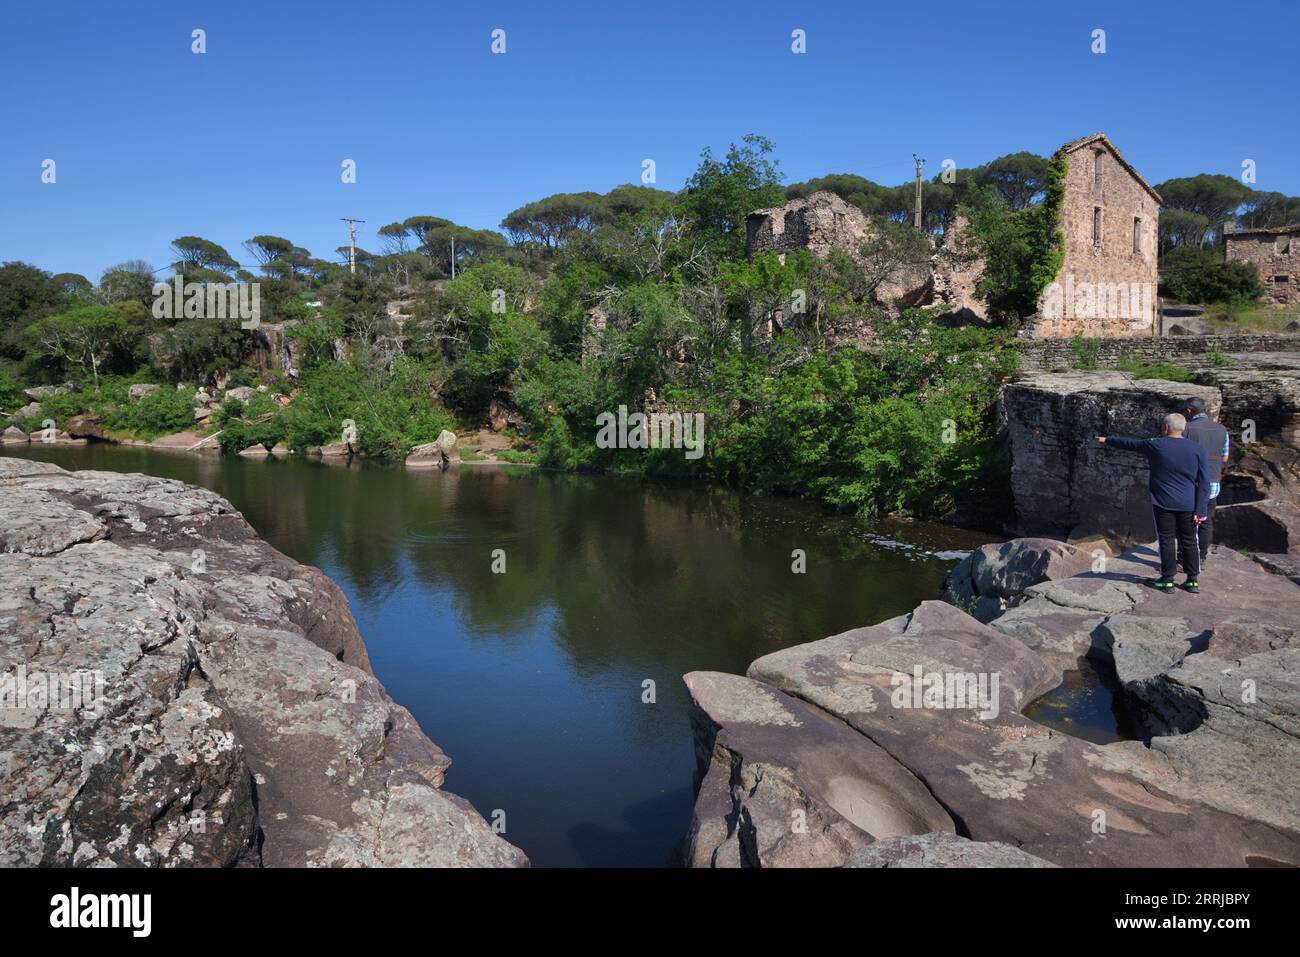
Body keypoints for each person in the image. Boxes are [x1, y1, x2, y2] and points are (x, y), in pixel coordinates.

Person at [1097, 413, 1210, 593]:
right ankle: (1192, 581)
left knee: (1166, 540)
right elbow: (1205, 481)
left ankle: (1167, 580)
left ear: (1165, 428)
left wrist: (1106, 439)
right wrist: (1201, 508)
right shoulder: (1197, 449)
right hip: (1190, 504)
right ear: (1184, 428)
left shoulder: (1156, 445)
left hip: (1163, 502)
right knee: (1189, 541)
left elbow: (1130, 444)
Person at [1181, 396, 1230, 566]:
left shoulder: (1187, 429)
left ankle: (1183, 559)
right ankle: (1201, 558)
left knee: (1186, 522)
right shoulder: (1222, 429)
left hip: (1191, 484)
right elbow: (1224, 457)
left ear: (1189, 411)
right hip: (1213, 482)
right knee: (1205, 522)